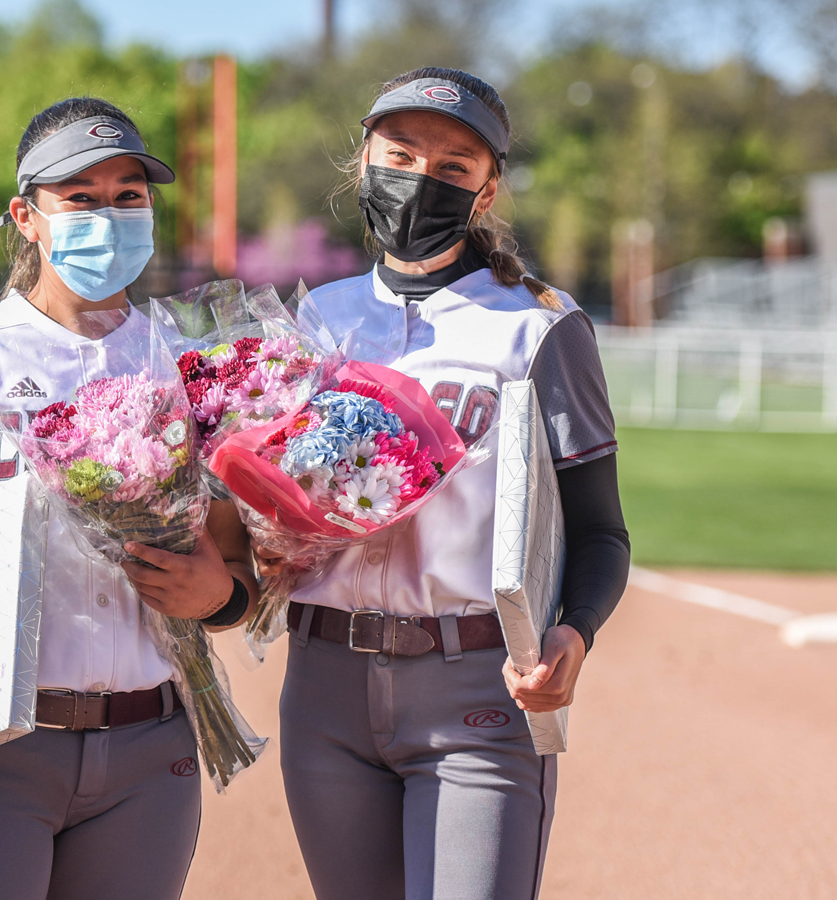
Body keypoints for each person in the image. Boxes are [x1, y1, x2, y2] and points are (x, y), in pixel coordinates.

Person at [0, 97, 258, 900]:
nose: (109, 215)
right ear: (27, 217)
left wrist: (222, 598)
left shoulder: (193, 362)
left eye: (128, 195)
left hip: (151, 750)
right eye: (81, 197)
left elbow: (238, 561)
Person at [263, 68, 632, 900]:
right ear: (363, 161)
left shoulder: (538, 324)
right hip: (323, 690)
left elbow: (602, 531)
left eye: (454, 166)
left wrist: (574, 635)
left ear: (487, 188)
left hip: (477, 689)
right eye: (400, 153)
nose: (421, 178)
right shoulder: (315, 320)